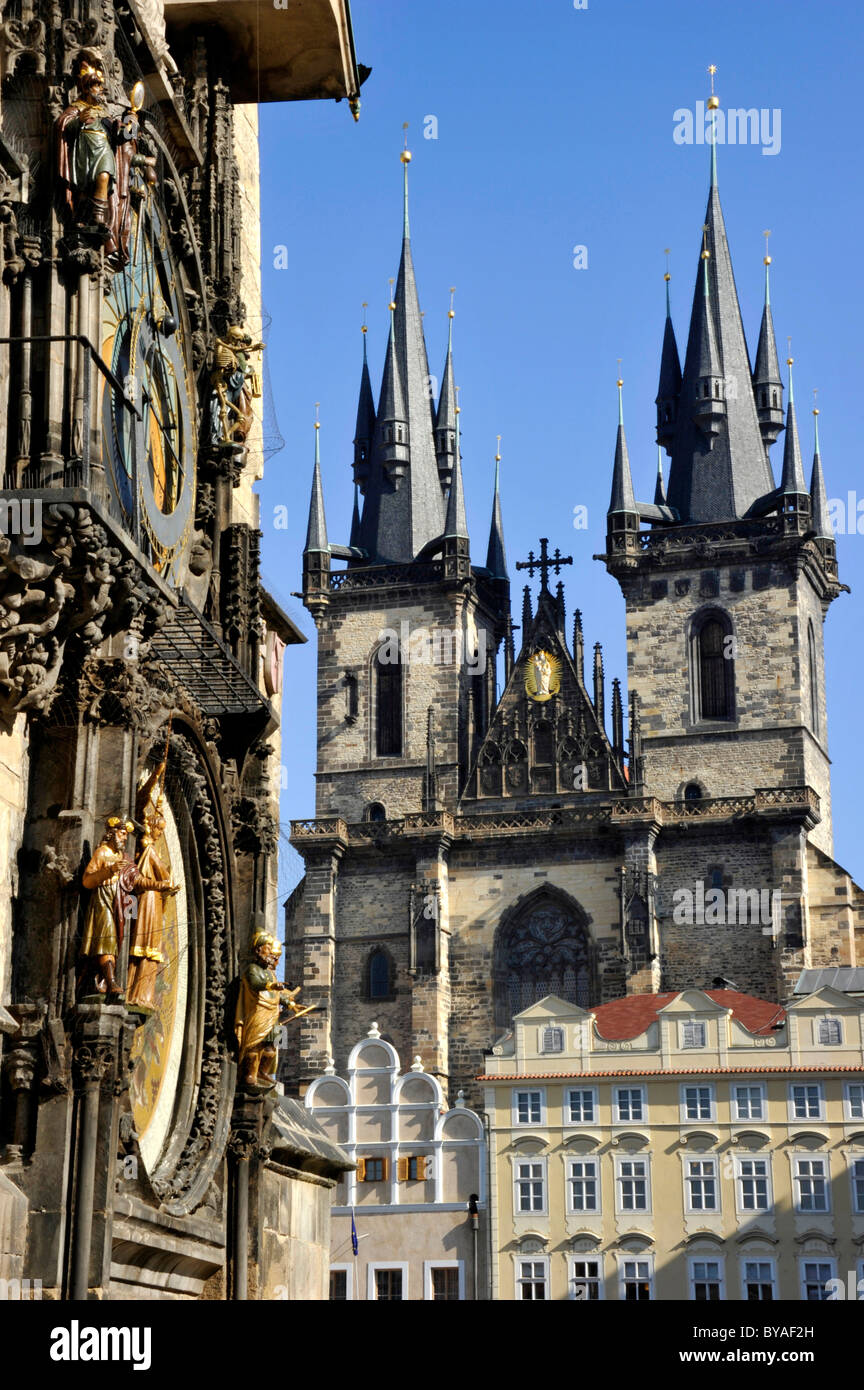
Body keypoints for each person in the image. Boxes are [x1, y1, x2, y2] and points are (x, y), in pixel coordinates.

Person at [56, 48, 156, 266]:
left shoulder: (105, 115)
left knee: (104, 177)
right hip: (83, 153)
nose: (99, 90)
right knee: (84, 189)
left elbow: (122, 137)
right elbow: (63, 126)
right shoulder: (77, 108)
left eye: (100, 86)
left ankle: (99, 219)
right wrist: (79, 121)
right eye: (95, 86)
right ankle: (84, 218)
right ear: (85, 88)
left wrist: (132, 121)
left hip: (103, 152)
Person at [126, 764, 179, 1013]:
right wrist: (155, 777)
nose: (159, 834)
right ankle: (134, 993)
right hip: (146, 902)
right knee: (143, 949)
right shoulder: (146, 848)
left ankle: (143, 995)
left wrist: (166, 887)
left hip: (153, 902)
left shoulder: (149, 848)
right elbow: (139, 880)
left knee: (150, 951)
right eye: (158, 829)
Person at [234, 932, 301, 1088]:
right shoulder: (253, 969)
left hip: (272, 1014)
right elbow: (255, 983)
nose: (271, 954)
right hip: (258, 1012)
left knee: (271, 1047)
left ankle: (263, 1072)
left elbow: (277, 994)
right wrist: (271, 986)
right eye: (268, 949)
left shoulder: (271, 974)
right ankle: (250, 1074)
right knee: (255, 1045)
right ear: (258, 951)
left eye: (273, 952)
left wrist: (291, 1005)